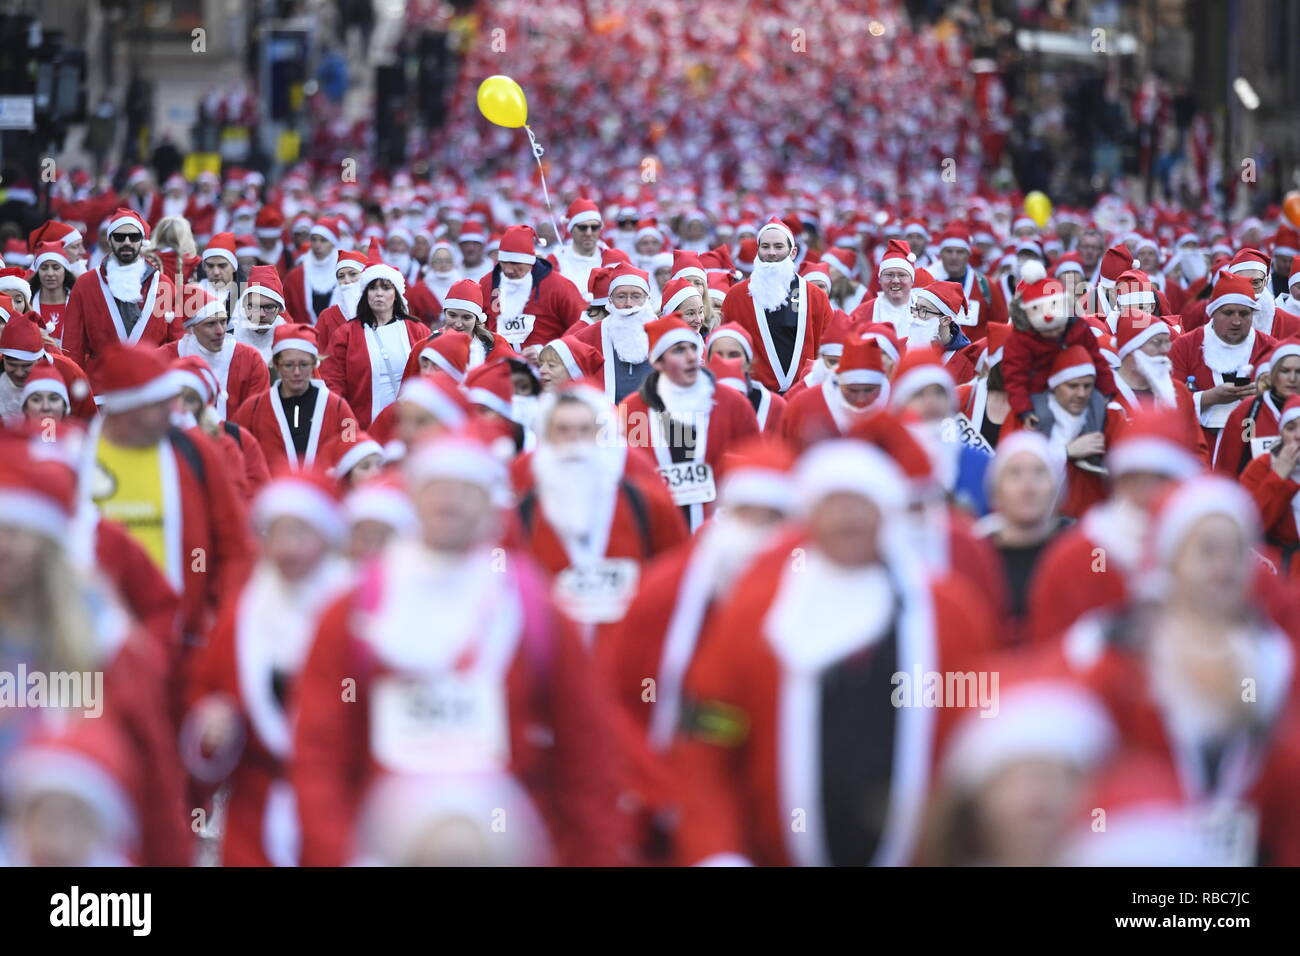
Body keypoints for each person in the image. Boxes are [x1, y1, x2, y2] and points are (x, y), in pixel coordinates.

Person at [291, 430, 631, 866]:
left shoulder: (533, 609)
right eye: (437, 488)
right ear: (414, 499)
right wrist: (335, 853)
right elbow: (320, 748)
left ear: (490, 507)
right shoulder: (352, 609)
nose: (448, 502)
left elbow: (586, 750)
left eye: (464, 490)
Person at [670, 440, 995, 866]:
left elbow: (978, 740)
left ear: (886, 512)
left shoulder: (948, 614)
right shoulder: (756, 613)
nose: (848, 517)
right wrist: (718, 854)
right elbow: (708, 738)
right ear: (808, 517)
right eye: (833, 504)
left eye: (861, 503)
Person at [1053, 475, 1300, 864]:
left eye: (1236, 551)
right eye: (1207, 550)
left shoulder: (1276, 661)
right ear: (1172, 559)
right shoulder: (1117, 656)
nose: (1224, 566)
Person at [181, 471, 352, 866]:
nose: (288, 549)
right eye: (277, 534)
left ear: (326, 537)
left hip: (341, 812)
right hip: (254, 819)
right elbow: (205, 698)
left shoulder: (356, 615)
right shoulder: (241, 620)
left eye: (300, 533)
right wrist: (210, 728)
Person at [88, 344, 253, 644]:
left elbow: (234, 544)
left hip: (187, 642)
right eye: (161, 404)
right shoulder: (80, 460)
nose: (175, 411)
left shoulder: (194, 451)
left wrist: (224, 619)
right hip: (102, 647)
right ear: (127, 410)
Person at [1024, 408, 1205, 645]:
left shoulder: (1213, 555)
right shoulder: (1076, 556)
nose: (1146, 492)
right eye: (1133, 478)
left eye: (1161, 478)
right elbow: (1048, 648)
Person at [516, 384, 687, 630]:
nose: (574, 441)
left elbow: (678, 574)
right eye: (562, 430)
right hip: (555, 654)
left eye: (585, 430)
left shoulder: (647, 503)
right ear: (547, 436)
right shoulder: (525, 511)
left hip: (629, 647)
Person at [620, 316, 760, 532]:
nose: (691, 357)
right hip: (657, 528)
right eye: (678, 350)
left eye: (693, 348)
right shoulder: (632, 410)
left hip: (718, 530)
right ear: (658, 362)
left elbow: (754, 466)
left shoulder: (732, 403)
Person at [999, 346, 1124, 520]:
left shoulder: (1108, 416)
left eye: (1087, 386)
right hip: (1032, 519)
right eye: (1072, 386)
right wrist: (1066, 452)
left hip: (1087, 522)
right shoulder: (1026, 415)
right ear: (1055, 385)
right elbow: (1007, 467)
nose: (1081, 394)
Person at [60, 208, 178, 392]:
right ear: (109, 240)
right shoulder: (85, 284)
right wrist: (73, 389)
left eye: (133, 237)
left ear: (142, 241)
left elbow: (177, 342)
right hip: (102, 389)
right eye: (120, 237)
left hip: (152, 387)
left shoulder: (163, 284)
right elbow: (73, 345)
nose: (127, 242)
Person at [970, 432, 1068, 643]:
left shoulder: (1077, 550)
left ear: (1055, 487)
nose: (1028, 486)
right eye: (1015, 473)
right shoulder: (976, 554)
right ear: (996, 490)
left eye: (1039, 472)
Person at [720, 218, 831, 395]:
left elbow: (827, 348)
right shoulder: (736, 296)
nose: (771, 253)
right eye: (765, 247)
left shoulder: (815, 296)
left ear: (792, 252)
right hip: (754, 395)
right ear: (758, 251)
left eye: (779, 247)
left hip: (803, 393)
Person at [1170, 272, 1277, 443]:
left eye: (1244, 314)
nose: (1236, 321)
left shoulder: (1270, 348)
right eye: (1228, 313)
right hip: (1201, 443)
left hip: (1253, 442)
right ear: (1213, 313)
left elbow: (1291, 398)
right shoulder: (1185, 346)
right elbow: (1165, 401)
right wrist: (1207, 398)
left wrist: (1264, 395)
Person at [234, 326, 357, 473]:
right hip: (271, 493)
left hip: (322, 492)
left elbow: (353, 451)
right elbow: (234, 451)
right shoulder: (253, 409)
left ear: (314, 364)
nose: (297, 372)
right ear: (277, 365)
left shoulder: (337, 407)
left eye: (304, 365)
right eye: (288, 365)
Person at [1001, 276, 1116, 431]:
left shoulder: (1079, 328)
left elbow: (1097, 360)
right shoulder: (1018, 340)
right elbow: (1015, 377)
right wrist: (1024, 410)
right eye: (1048, 330)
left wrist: (1108, 392)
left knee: (1097, 406)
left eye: (1058, 328)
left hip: (1075, 386)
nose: (1054, 334)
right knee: (1043, 418)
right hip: (1039, 391)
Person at [320, 263, 426, 429]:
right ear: (365, 294)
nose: (378, 294)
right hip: (361, 426)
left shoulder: (417, 330)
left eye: (386, 288)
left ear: (396, 294)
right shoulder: (346, 333)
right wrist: (344, 423)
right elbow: (332, 381)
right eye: (372, 288)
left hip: (407, 426)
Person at [156, 285, 268, 420]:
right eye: (210, 324)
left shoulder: (250, 359)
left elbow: (258, 416)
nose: (220, 331)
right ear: (191, 329)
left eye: (223, 322)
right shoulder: (163, 359)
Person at [481, 224, 587, 356]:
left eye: (515, 263)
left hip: (546, 369)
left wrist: (550, 352)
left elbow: (583, 330)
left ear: (530, 262)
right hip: (499, 367)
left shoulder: (559, 286)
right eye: (504, 262)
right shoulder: (487, 284)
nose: (508, 269)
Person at [781, 333, 890, 452]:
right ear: (838, 380)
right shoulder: (803, 404)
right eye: (852, 390)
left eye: (869, 390)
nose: (861, 398)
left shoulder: (894, 405)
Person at [574, 262, 659, 403]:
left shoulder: (667, 335)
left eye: (636, 296)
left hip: (653, 417)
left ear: (647, 300)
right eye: (621, 296)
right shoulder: (586, 337)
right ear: (610, 301)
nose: (629, 304)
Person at [1215, 338, 1300, 477]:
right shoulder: (1248, 411)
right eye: (1285, 371)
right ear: (1273, 374)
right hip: (1257, 492)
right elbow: (1228, 466)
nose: (1292, 378)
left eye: (1299, 372)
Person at [705, 323, 786, 434]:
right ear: (707, 361)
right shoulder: (690, 402)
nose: (725, 361)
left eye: (734, 355)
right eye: (718, 355)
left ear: (748, 362)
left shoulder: (773, 405)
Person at [283, 217, 344, 326]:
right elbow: (285, 312)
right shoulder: (295, 276)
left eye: (323, 240)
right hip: (301, 339)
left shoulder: (345, 275)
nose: (317, 245)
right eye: (314, 239)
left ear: (333, 243)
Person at [232, 266, 290, 366]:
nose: (261, 314)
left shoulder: (291, 339)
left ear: (279, 309)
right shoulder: (229, 337)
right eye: (254, 306)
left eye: (269, 307)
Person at [312, 249, 368, 351]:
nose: (347, 281)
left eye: (353, 274)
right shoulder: (327, 316)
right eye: (341, 276)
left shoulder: (379, 312)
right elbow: (318, 353)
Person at [549, 198, 604, 296]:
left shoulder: (611, 257)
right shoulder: (556, 259)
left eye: (594, 227)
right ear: (571, 229)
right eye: (582, 227)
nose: (588, 233)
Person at [28, 242, 74, 343]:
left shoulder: (78, 302)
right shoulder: (27, 304)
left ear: (65, 271)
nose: (50, 273)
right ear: (37, 272)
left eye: (56, 267)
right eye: (44, 268)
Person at [536, 336, 604, 392]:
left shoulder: (595, 407)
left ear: (573, 372)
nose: (541, 370)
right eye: (540, 365)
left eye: (551, 365)